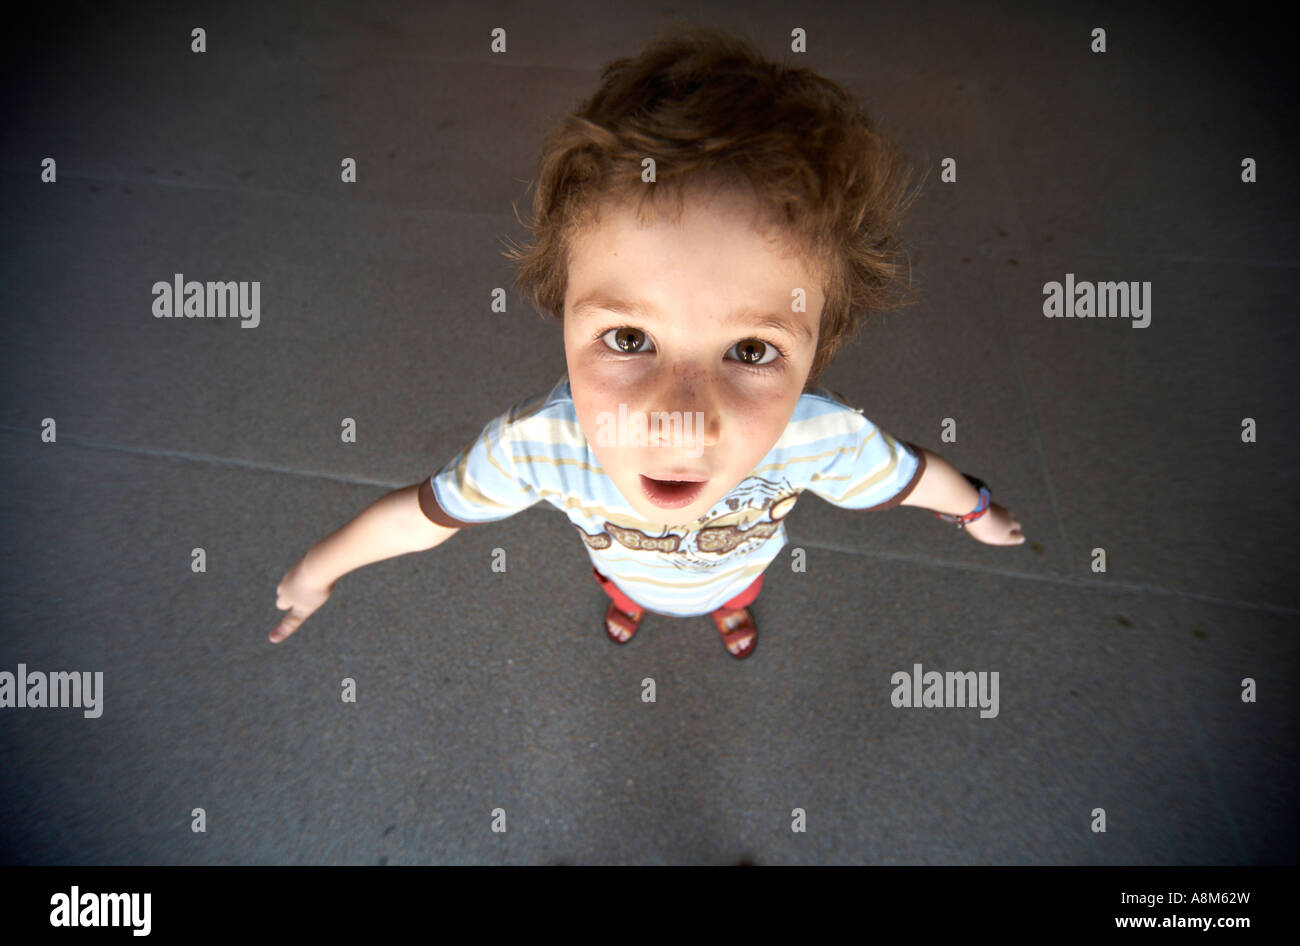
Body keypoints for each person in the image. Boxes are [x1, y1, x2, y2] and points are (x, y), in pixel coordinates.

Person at [269, 26, 1025, 660]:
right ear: (561, 310)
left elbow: (916, 476)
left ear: (819, 353)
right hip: (621, 567)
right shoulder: (538, 447)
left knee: (736, 587)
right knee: (626, 584)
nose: (680, 421)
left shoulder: (821, 436)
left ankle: (729, 610)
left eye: (753, 351)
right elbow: (419, 517)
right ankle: (633, 602)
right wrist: (314, 571)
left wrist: (977, 511)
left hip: (740, 566)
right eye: (629, 337)